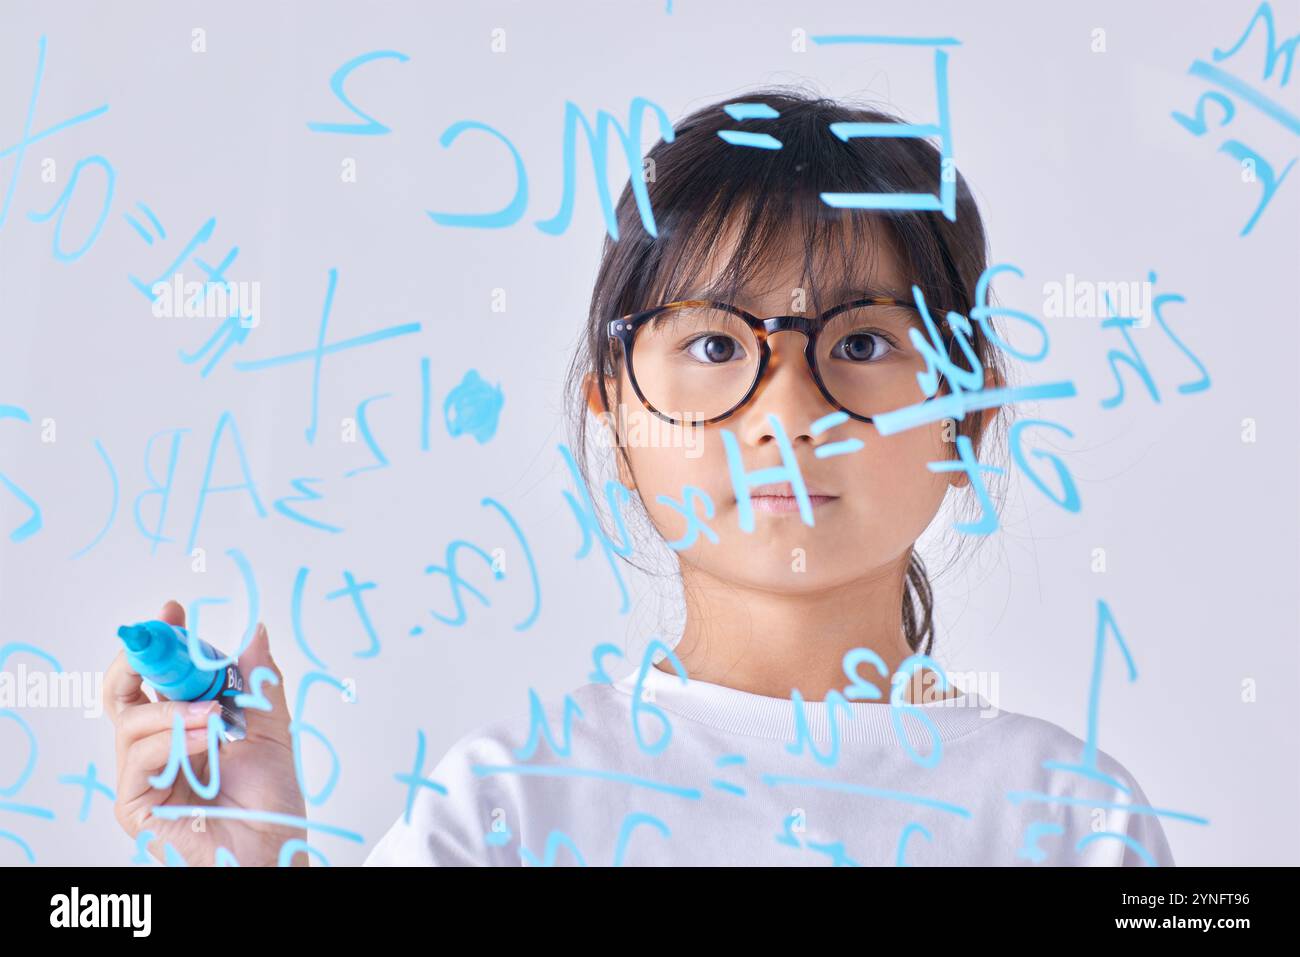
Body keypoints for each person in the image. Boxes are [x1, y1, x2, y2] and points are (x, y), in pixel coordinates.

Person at [104, 87, 1175, 867]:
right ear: (611, 407)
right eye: (713, 348)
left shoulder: (1074, 822)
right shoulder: (506, 804)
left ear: (967, 408)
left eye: (859, 345)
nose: (785, 414)